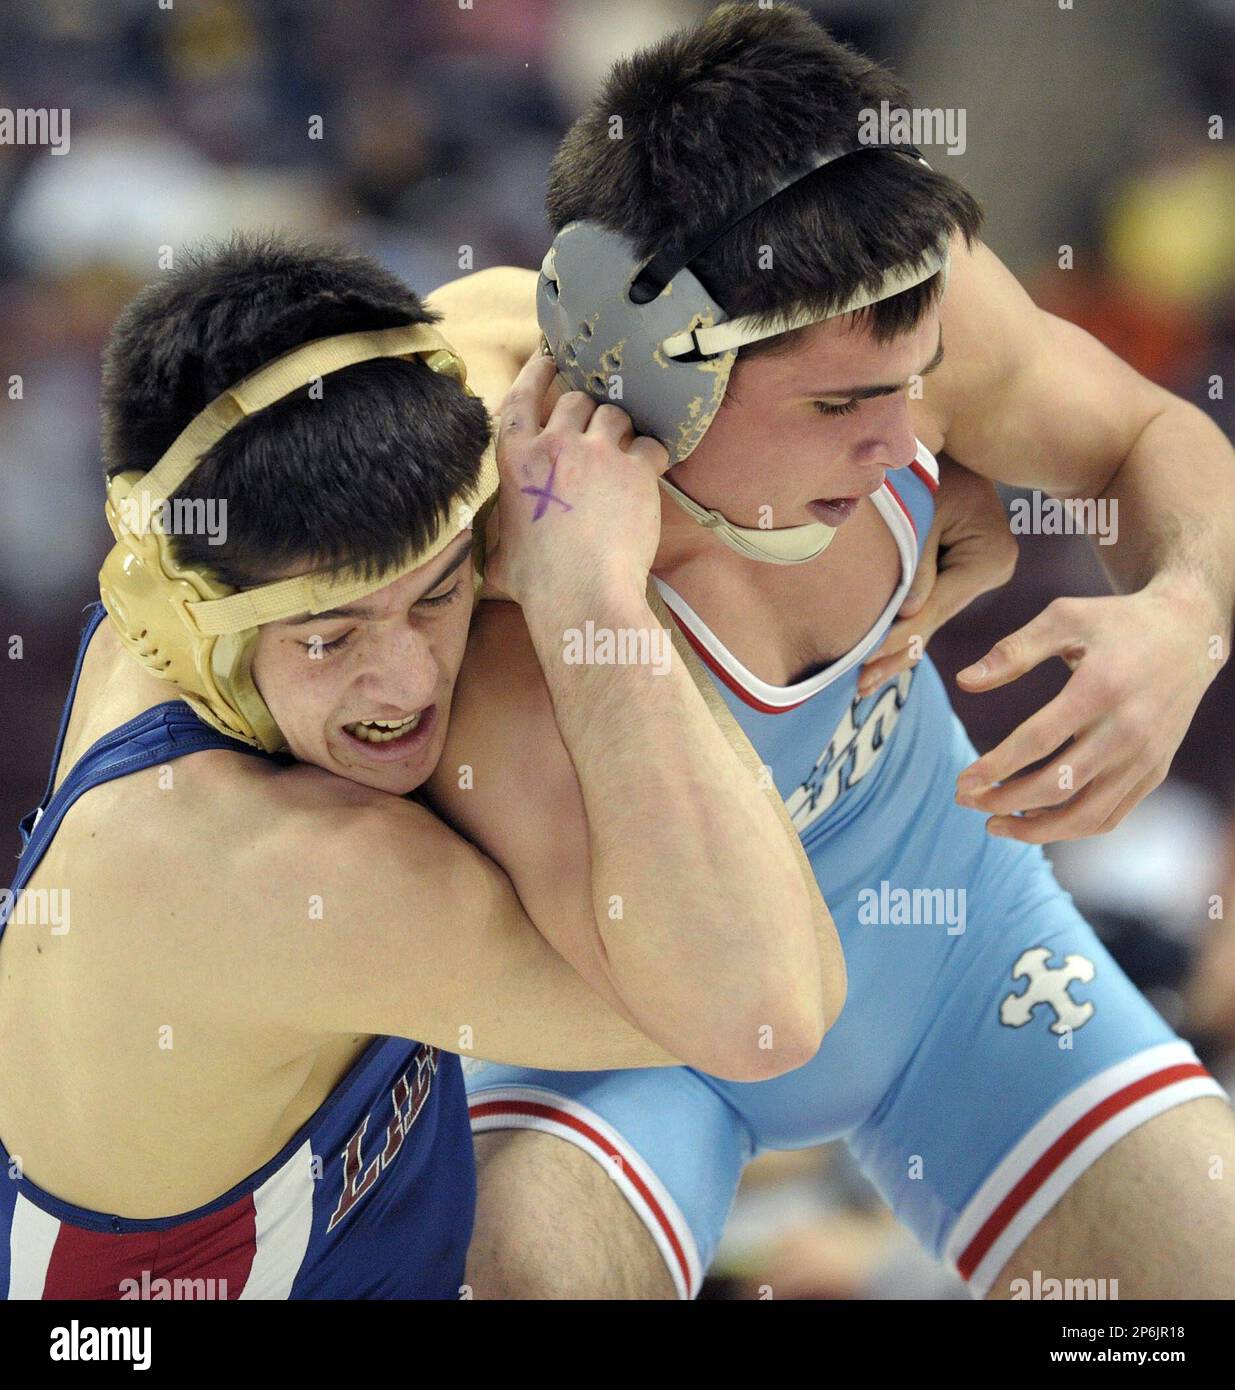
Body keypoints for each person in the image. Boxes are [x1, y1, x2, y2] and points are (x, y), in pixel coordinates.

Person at [425, 4, 1235, 1298]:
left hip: (954, 947)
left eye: (910, 384)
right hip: (620, 1039)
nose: (894, 441)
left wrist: (1182, 618)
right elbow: (751, 1014)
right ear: (646, 366)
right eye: (836, 405)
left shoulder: (898, 309)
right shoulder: (469, 581)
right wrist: (598, 615)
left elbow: (1145, 434)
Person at [0, 233, 842, 1299]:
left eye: (437, 592)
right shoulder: (263, 871)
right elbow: (767, 1012)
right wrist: (592, 597)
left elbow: (510, 309)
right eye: (328, 636)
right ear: (189, 624)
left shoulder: (306, 493)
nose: (402, 683)